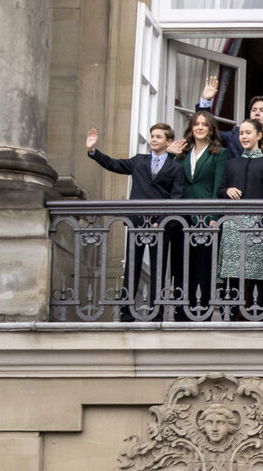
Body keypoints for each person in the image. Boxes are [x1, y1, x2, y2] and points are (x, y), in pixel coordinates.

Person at [82, 123, 184, 320]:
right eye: (152, 136)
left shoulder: (176, 168)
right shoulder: (139, 161)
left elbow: (176, 198)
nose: (153, 139)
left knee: (158, 268)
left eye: (158, 137)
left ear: (168, 142)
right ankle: (126, 312)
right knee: (132, 266)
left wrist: (161, 221)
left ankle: (157, 312)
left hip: (159, 225)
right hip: (136, 221)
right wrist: (93, 151)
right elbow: (113, 164)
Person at [219, 116, 263, 317]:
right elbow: (219, 191)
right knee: (232, 277)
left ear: (259, 135)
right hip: (233, 225)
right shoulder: (231, 164)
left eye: (248, 133)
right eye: (241, 133)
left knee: (257, 276)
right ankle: (229, 318)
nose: (244, 137)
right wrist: (227, 190)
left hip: (257, 227)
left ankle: (258, 318)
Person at [176, 110, 228, 319]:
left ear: (211, 129)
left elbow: (218, 187)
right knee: (182, 264)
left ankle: (202, 311)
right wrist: (171, 154)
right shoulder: (182, 153)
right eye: (196, 124)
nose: (199, 127)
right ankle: (181, 312)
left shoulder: (220, 154)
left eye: (204, 124)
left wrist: (214, 216)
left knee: (203, 266)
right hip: (182, 218)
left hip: (206, 218)